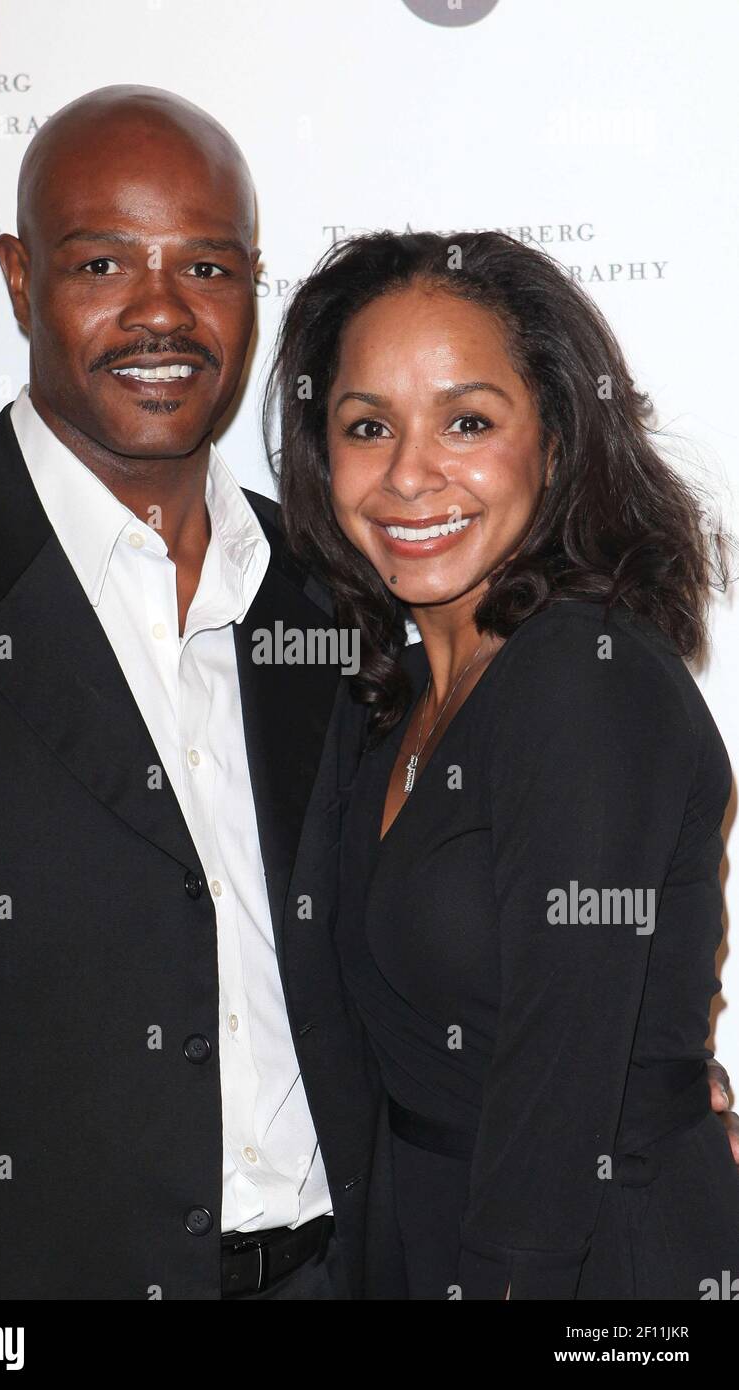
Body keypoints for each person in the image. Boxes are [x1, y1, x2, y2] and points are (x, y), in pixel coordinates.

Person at [0, 85, 404, 1301]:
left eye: (206, 266)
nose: (160, 310)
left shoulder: (328, 589)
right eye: (103, 260)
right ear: (18, 279)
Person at [271, 228, 739, 1298]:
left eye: (467, 421)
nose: (407, 474)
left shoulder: (581, 674)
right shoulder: (388, 696)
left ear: (559, 443)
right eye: (365, 426)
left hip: (587, 1269)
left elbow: (556, 1091)